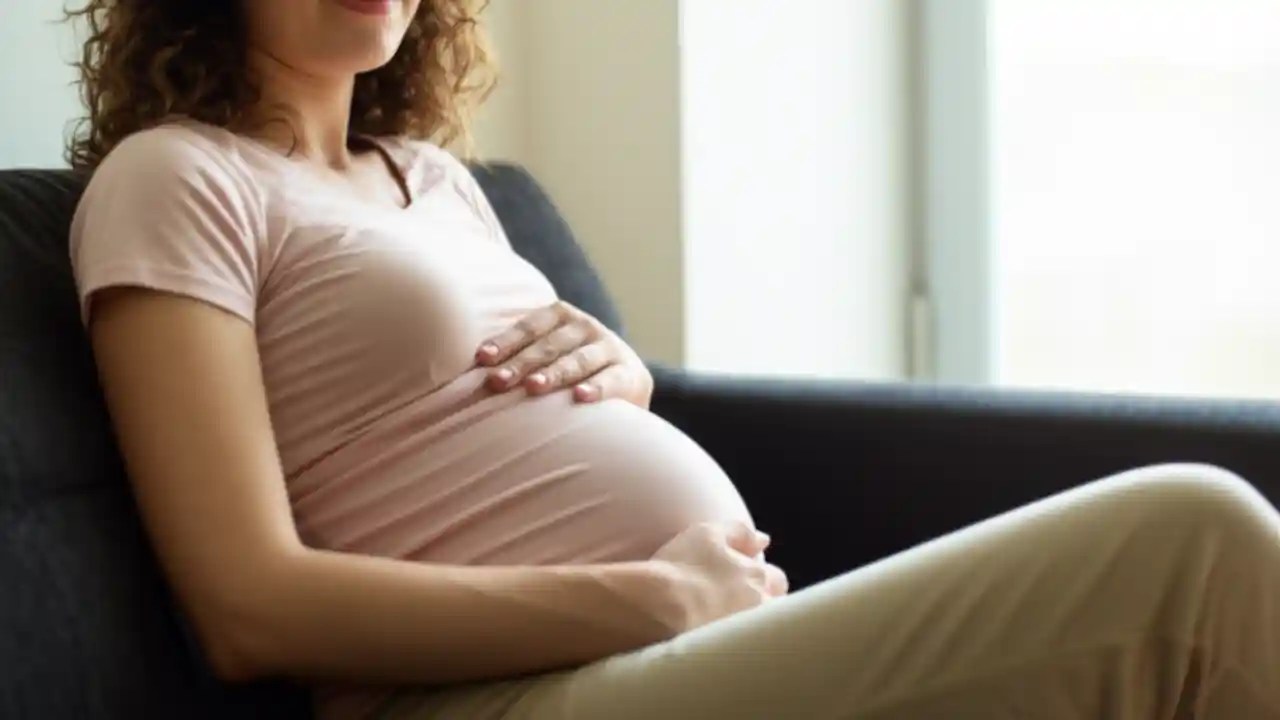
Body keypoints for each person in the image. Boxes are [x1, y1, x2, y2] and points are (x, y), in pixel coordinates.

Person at [65, 1, 1280, 718]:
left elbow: (460, 414)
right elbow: (247, 608)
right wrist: (646, 593)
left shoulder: (437, 183)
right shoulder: (176, 179)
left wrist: (620, 381)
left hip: (674, 652)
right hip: (499, 699)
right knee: (1189, 536)